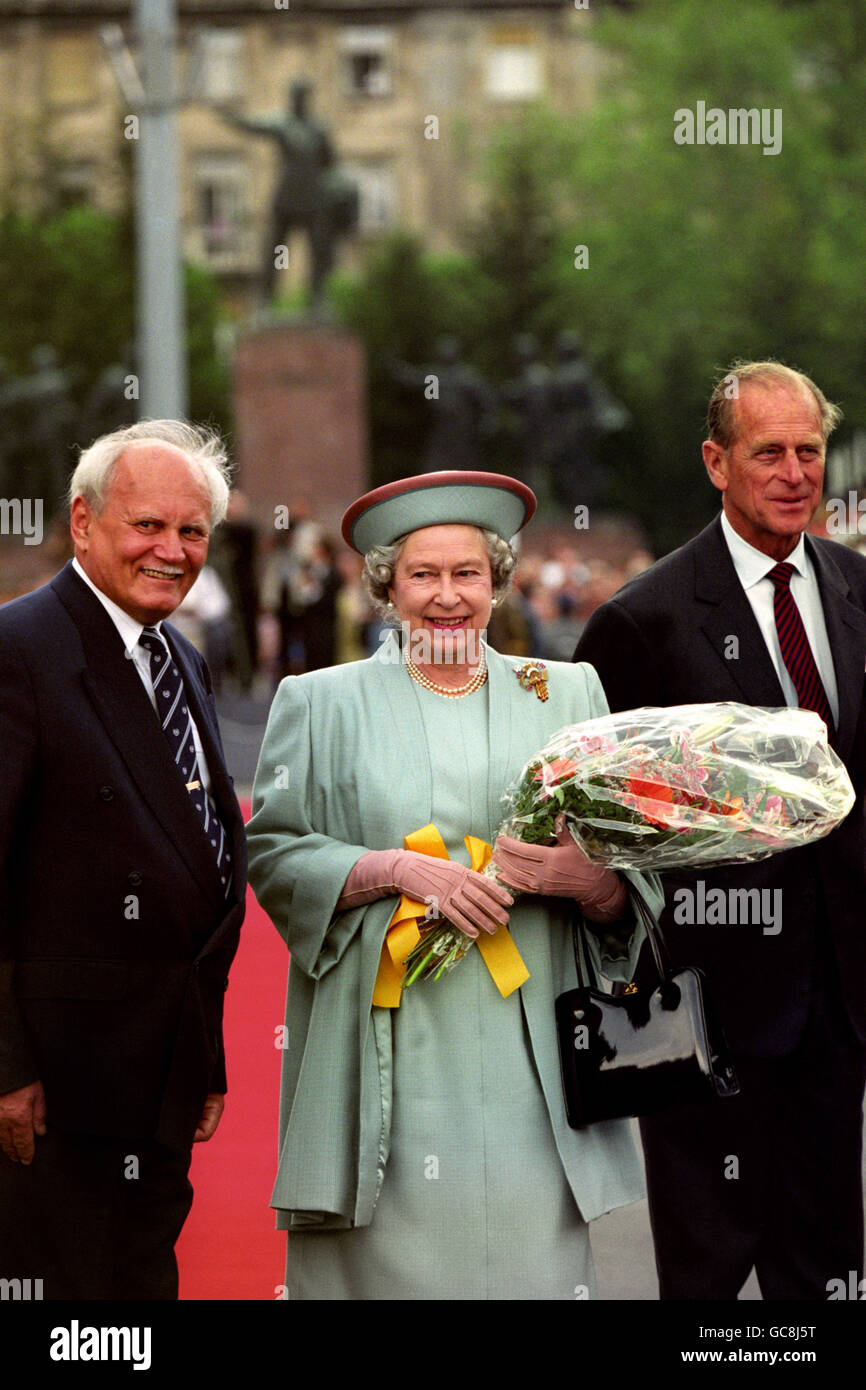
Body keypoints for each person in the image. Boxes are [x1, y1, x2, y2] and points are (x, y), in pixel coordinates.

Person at [247, 470, 662, 1300]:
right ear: (386, 587)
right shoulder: (320, 702)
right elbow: (274, 852)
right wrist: (390, 869)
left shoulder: (567, 692)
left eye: (467, 573)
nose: (447, 598)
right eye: (423, 576)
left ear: (498, 580)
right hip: (385, 1051)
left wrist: (593, 884)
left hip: (531, 1058)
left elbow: (628, 886)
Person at [575, 361, 866, 1300]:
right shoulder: (642, 619)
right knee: (704, 1280)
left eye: (810, 451)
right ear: (716, 462)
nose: (795, 473)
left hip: (842, 1005)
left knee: (826, 1270)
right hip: (701, 1012)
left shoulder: (861, 591)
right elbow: (598, 815)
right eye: (768, 451)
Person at [0, 419, 247, 1300]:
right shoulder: (20, 648)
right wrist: (7, 1070)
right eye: (147, 525)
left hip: (157, 1079)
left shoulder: (179, 658)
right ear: (81, 522)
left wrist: (204, 1057)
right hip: (55, 1090)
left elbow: (204, 861)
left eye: (191, 532)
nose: (171, 551)